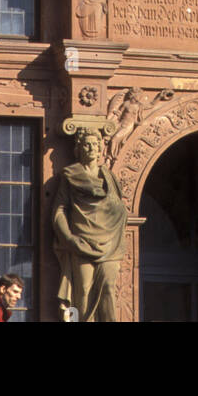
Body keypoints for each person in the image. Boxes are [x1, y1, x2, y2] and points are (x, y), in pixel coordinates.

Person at [52, 127, 128, 322]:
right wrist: (68, 238)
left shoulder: (109, 177)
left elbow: (119, 208)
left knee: (109, 286)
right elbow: (59, 210)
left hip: (110, 244)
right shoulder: (70, 175)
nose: (92, 148)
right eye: (87, 144)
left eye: (95, 144)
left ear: (101, 148)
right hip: (82, 243)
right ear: (79, 148)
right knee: (83, 291)